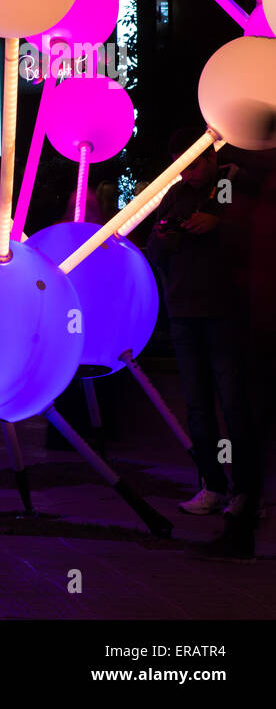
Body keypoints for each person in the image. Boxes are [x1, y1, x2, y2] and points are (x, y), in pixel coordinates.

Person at [148, 129, 259, 555]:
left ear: (209, 157)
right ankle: (212, 485)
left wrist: (216, 220)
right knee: (197, 404)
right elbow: (158, 251)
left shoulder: (227, 182)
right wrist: (164, 234)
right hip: (184, 310)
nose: (189, 174)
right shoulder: (176, 195)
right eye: (182, 166)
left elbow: (235, 227)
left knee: (233, 402)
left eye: (193, 164)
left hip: (223, 309)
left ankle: (244, 493)